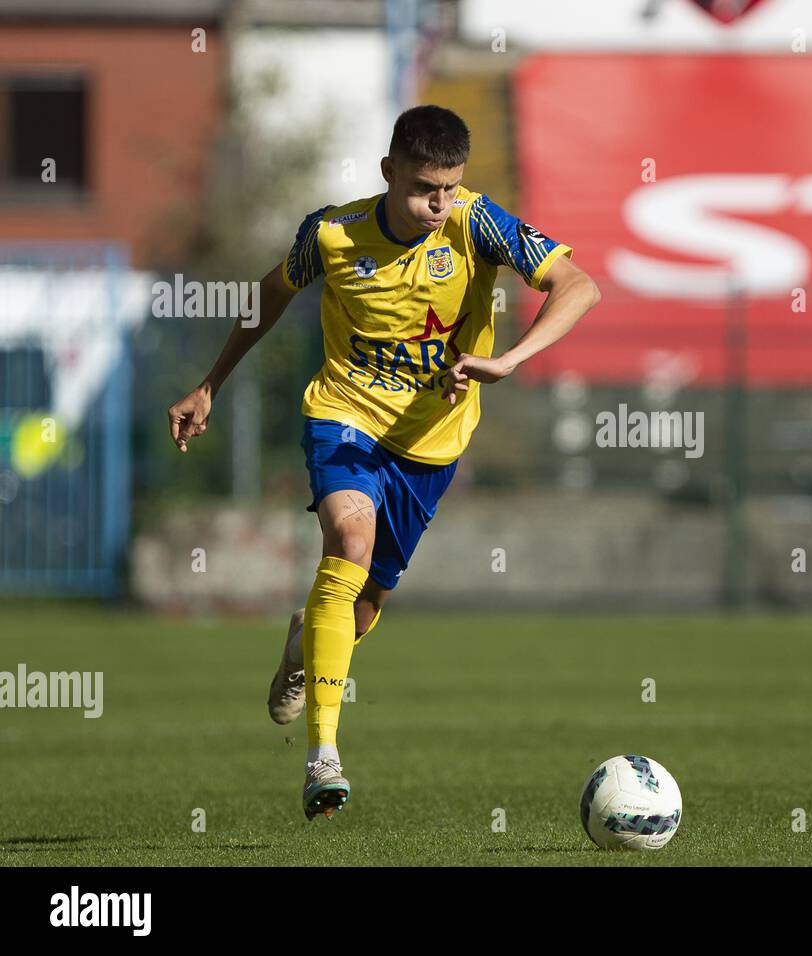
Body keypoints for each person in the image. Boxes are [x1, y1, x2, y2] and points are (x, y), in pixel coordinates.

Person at [166, 105, 600, 819]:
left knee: (363, 605)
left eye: (451, 187)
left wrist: (510, 359)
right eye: (425, 188)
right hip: (345, 417)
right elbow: (270, 295)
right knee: (351, 541)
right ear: (388, 173)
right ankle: (323, 758)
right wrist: (210, 383)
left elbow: (579, 286)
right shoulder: (332, 234)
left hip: (431, 445)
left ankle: (305, 645)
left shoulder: (477, 222)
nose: (440, 204)